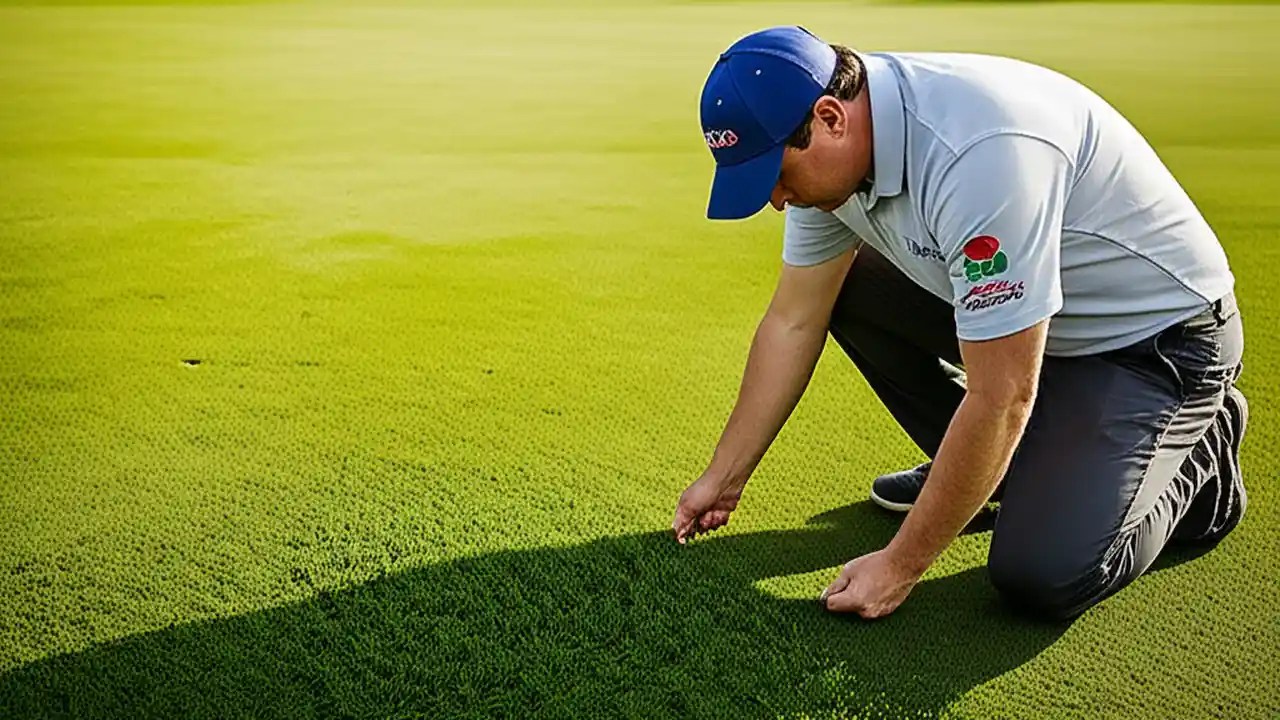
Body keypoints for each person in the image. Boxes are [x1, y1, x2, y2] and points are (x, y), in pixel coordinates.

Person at [670, 25, 1248, 621]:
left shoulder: (977, 154)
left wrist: (899, 565)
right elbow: (794, 321)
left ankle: (1204, 454)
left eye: (776, 174)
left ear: (830, 118)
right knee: (845, 289)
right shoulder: (833, 168)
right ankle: (1003, 476)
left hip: (1155, 342)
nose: (776, 200)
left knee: (1041, 574)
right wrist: (724, 476)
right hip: (1037, 325)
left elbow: (1003, 394)